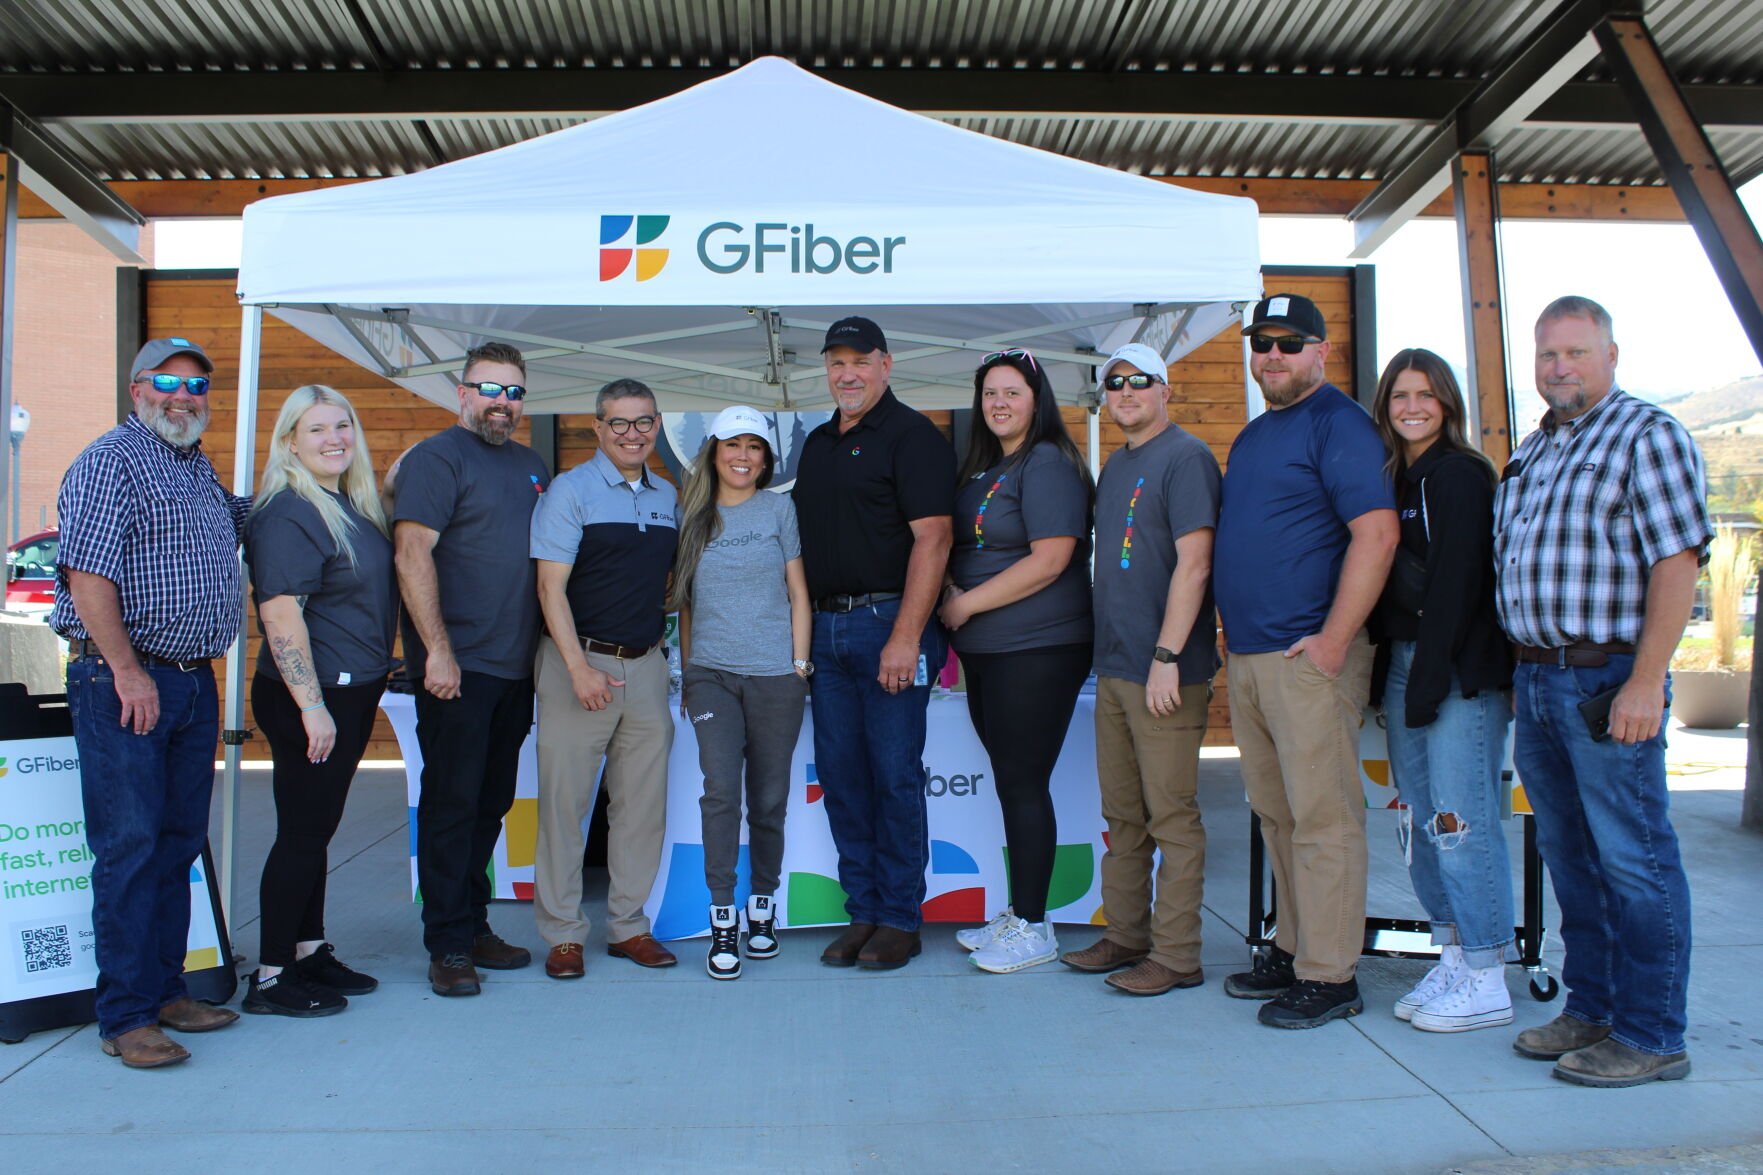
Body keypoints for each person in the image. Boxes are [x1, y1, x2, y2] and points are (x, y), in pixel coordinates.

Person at [1496, 296, 1710, 1087]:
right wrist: (1526, 672)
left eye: (1575, 353)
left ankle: (1652, 1034)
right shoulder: (1534, 449)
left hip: (1608, 680)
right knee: (1569, 855)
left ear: (1610, 354)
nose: (1558, 367)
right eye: (1548, 354)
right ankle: (1591, 1008)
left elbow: (1676, 562)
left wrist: (1646, 679)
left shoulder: (1645, 436)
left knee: (1634, 858)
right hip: (1537, 678)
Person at [52, 337, 250, 1067]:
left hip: (193, 679)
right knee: (130, 849)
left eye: (197, 384)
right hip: (126, 683)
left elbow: (244, 520)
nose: (183, 394)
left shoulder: (194, 465)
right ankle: (126, 1016)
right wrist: (128, 670)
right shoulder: (110, 460)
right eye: (167, 380)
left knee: (175, 846)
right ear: (137, 387)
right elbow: (87, 577)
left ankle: (167, 990)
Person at [1213, 293, 1398, 1029]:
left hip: (1308, 656)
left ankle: (1331, 973)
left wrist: (1331, 639)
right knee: (1277, 815)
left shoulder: (1339, 424)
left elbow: (1375, 534)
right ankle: (1294, 949)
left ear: (1322, 350)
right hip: (1255, 655)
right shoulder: (1255, 435)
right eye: (1261, 343)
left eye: (1289, 343)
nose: (1273, 356)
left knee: (1322, 819)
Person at [1057, 343, 1222, 995]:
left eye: (1138, 381)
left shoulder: (1186, 458)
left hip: (1164, 673)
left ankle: (1178, 955)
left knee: (1171, 818)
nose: (1124, 391)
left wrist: (1166, 657)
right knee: (1122, 814)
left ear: (1164, 389)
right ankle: (1127, 934)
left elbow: (1196, 563)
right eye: (1114, 383)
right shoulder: (1118, 465)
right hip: (1115, 668)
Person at [792, 316, 955, 970]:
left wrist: (905, 635)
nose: (847, 373)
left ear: (886, 364)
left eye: (860, 360)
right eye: (836, 362)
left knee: (892, 776)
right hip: (827, 632)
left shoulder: (912, 437)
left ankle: (898, 917)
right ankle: (862, 909)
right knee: (843, 777)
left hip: (888, 624)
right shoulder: (819, 442)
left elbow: (934, 538)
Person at [393, 341, 550, 997]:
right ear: (461, 392)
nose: (502, 403)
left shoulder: (532, 464)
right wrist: (436, 650)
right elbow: (410, 554)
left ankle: (474, 920)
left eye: (513, 392)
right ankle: (448, 944)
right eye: (490, 389)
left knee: (490, 802)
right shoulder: (435, 460)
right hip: (457, 669)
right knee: (452, 805)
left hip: (515, 667)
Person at [1367, 350, 1517, 1032]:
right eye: (1400, 394)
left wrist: (1430, 677)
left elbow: (1457, 583)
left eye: (1424, 394)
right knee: (1424, 823)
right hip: (1407, 662)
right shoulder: (1396, 476)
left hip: (1455, 669)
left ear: (1447, 402)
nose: (1411, 406)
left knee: (1461, 822)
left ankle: (1487, 971)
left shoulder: (1458, 474)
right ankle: (1453, 953)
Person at [242, 385, 398, 1017]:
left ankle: (308, 950)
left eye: (343, 425)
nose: (334, 438)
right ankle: (273, 976)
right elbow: (280, 615)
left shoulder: (345, 504)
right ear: (289, 443)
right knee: (302, 834)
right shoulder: (288, 510)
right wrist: (311, 706)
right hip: (310, 699)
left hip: (350, 692)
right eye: (316, 430)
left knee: (317, 829)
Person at [939, 348, 1094, 975]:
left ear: (1037, 399)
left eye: (1012, 392)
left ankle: (1034, 925)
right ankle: (1018, 910)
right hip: (990, 651)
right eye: (990, 394)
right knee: (1011, 780)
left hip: (1038, 648)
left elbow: (1052, 558)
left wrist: (965, 602)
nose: (999, 403)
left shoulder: (1049, 462)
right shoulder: (988, 468)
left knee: (1024, 782)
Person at [530, 378, 680, 977]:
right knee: (566, 808)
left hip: (646, 667)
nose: (632, 434)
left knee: (642, 809)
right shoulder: (570, 492)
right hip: (578, 666)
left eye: (643, 422)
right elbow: (549, 588)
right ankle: (564, 934)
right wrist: (577, 668)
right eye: (619, 423)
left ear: (657, 426)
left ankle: (628, 927)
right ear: (597, 427)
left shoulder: (667, 495)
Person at [671, 405, 811, 980]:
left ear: (765, 458)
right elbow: (683, 601)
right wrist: (686, 668)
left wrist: (800, 663)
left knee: (771, 799)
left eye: (754, 446)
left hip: (777, 675)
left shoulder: (780, 507)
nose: (743, 456)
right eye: (732, 445)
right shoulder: (690, 514)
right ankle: (722, 914)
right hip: (712, 675)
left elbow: (798, 591)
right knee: (722, 792)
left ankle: (763, 908)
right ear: (713, 452)